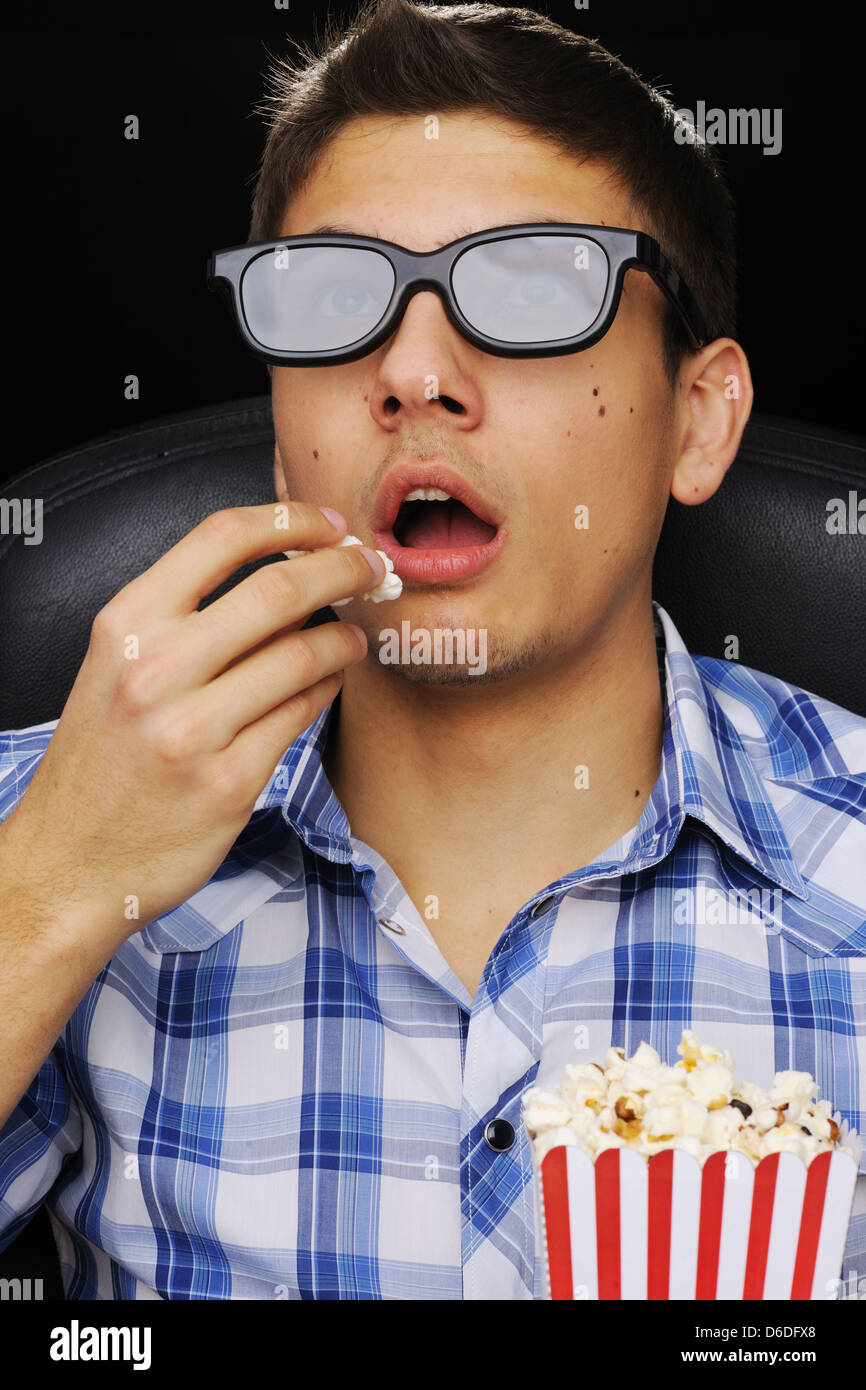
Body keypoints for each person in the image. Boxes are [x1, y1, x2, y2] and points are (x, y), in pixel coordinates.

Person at [0, 0, 863, 1300]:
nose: (412, 371)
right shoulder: (40, 825)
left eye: (530, 287)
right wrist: (51, 893)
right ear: (284, 427)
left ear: (697, 421)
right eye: (334, 298)